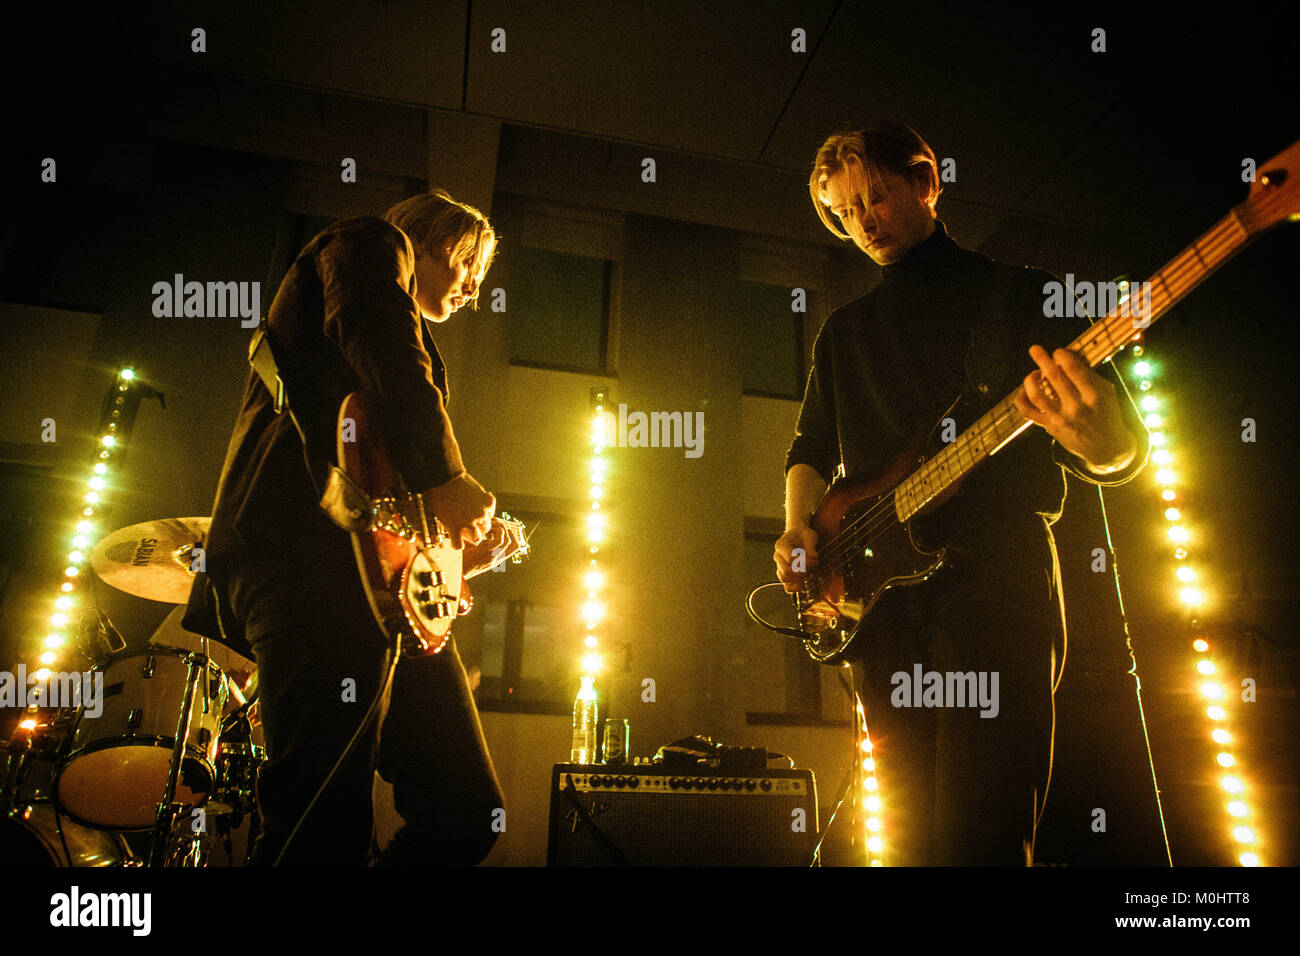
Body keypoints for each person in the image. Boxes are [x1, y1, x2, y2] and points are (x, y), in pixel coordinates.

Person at [774, 122, 1149, 865]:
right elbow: (810, 448)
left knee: (982, 833)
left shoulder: (1021, 294)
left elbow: (1123, 447)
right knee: (907, 836)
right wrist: (797, 529)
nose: (864, 221)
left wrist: (1102, 439)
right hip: (882, 606)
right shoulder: (842, 334)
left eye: (876, 196)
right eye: (845, 212)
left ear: (926, 182)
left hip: (996, 581)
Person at [185, 189, 506, 865]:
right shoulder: (365, 243)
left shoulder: (386, 351)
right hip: (305, 563)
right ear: (439, 239)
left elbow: (378, 474)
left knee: (468, 812)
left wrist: (449, 554)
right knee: (320, 821)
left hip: (384, 593)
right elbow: (379, 332)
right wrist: (447, 476)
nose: (475, 289)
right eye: (472, 264)